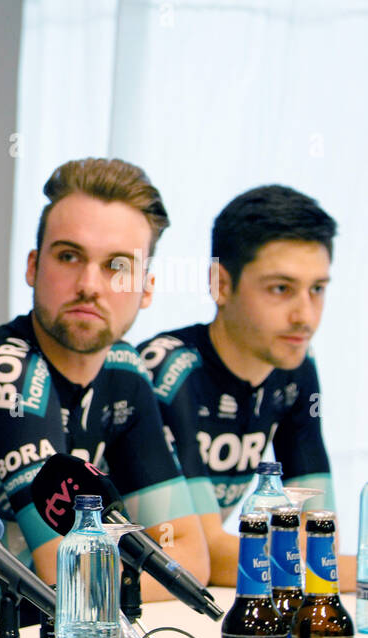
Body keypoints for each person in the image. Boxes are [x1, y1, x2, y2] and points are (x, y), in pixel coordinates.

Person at [0, 157, 210, 638]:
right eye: (69, 256)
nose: (90, 284)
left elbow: (185, 555)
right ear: (33, 267)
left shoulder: (124, 374)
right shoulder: (4, 372)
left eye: (117, 266)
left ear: (146, 288)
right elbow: (67, 578)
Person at [138, 185, 354, 587]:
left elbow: (320, 535)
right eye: (281, 289)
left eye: (317, 289)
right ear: (221, 284)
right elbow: (210, 555)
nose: (305, 316)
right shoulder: (168, 368)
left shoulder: (295, 367)